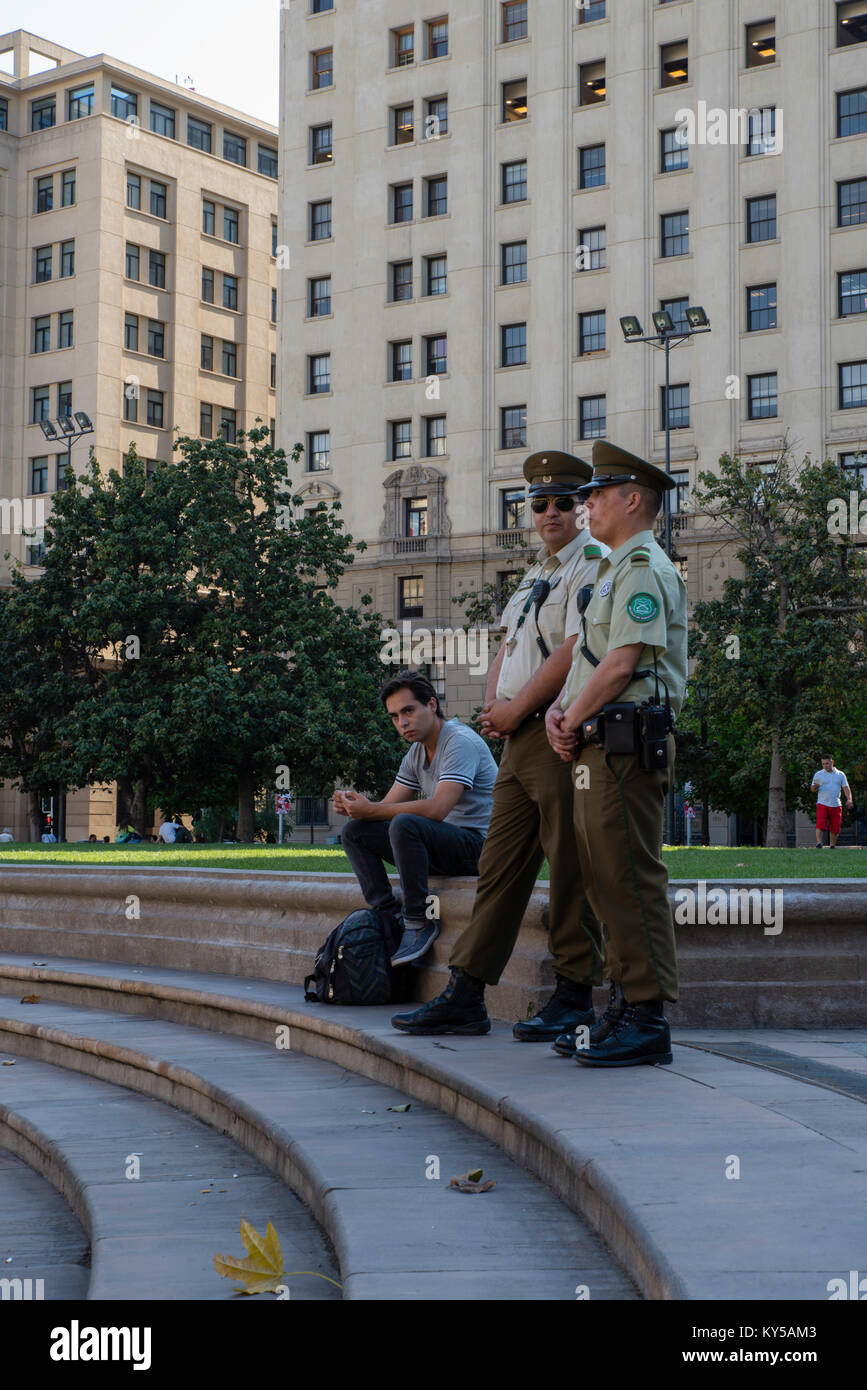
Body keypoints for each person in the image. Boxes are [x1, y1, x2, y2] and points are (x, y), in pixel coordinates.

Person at [391, 450, 608, 1039]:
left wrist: (515, 708)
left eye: (564, 502)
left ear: (584, 508)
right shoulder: (535, 575)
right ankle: (466, 992)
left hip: (560, 733)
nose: (550, 512)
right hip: (516, 739)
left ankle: (574, 994)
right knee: (499, 868)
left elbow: (573, 651)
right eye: (539, 504)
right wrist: (493, 706)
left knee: (569, 867)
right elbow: (509, 649)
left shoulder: (594, 563)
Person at [547, 440, 688, 1068]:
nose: (585, 505)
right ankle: (623, 1004)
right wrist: (565, 714)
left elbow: (624, 663)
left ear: (633, 500)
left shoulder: (642, 568)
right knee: (605, 881)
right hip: (597, 743)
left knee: (630, 877)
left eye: (597, 494)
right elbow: (592, 665)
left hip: (625, 746)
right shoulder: (612, 569)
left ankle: (646, 1016)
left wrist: (570, 717)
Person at [336, 670, 497, 966]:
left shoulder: (459, 741)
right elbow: (383, 810)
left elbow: (437, 809)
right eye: (395, 716)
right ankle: (386, 914)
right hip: (444, 845)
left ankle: (417, 921)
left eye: (408, 711)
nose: (402, 723)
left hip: (481, 848)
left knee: (405, 823)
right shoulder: (416, 753)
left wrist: (372, 809)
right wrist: (354, 808)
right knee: (356, 831)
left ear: (432, 705)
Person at [811, 755, 853, 848]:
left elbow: (846, 788)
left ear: (832, 762)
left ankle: (832, 846)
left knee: (835, 826)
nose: (825, 766)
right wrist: (816, 786)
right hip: (822, 803)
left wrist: (849, 799)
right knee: (820, 823)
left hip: (836, 804)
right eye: (823, 764)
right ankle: (819, 843)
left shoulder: (840, 774)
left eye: (827, 763)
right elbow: (813, 789)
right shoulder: (818, 774)